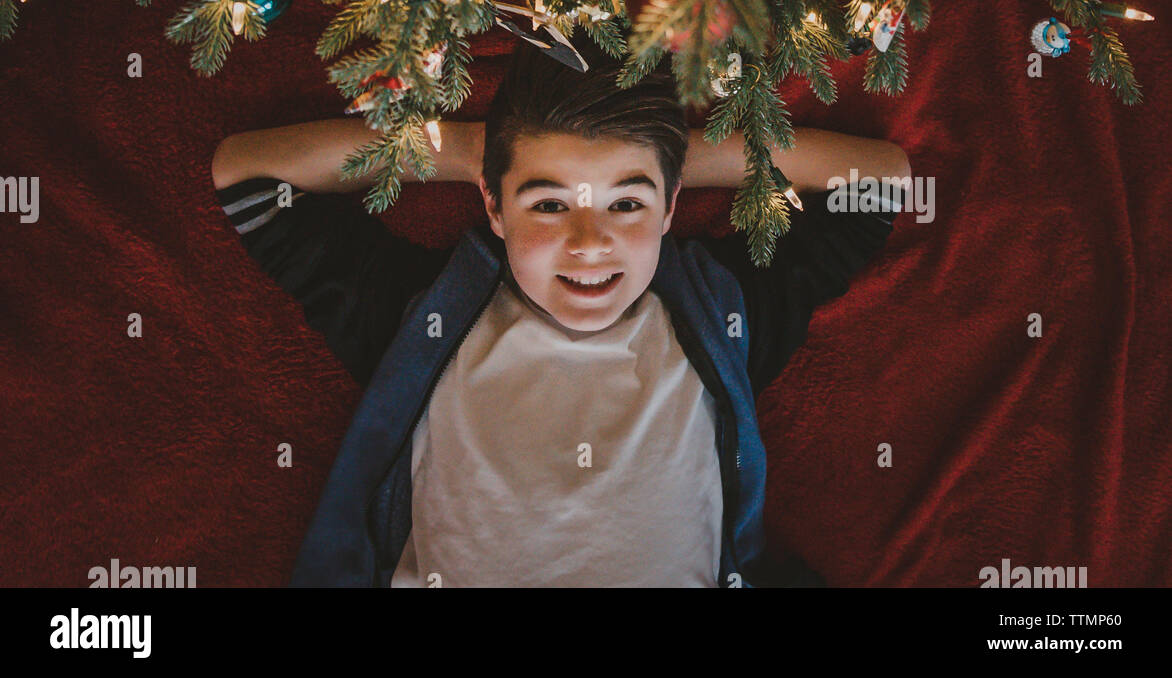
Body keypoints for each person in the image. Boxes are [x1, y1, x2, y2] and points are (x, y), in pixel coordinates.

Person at [211, 38, 911, 588]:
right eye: (547, 204)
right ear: (494, 205)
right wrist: (476, 152)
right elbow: (248, 177)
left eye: (626, 205)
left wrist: (661, 158)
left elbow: (879, 183)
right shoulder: (423, 318)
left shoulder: (719, 314)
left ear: (670, 208)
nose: (588, 244)